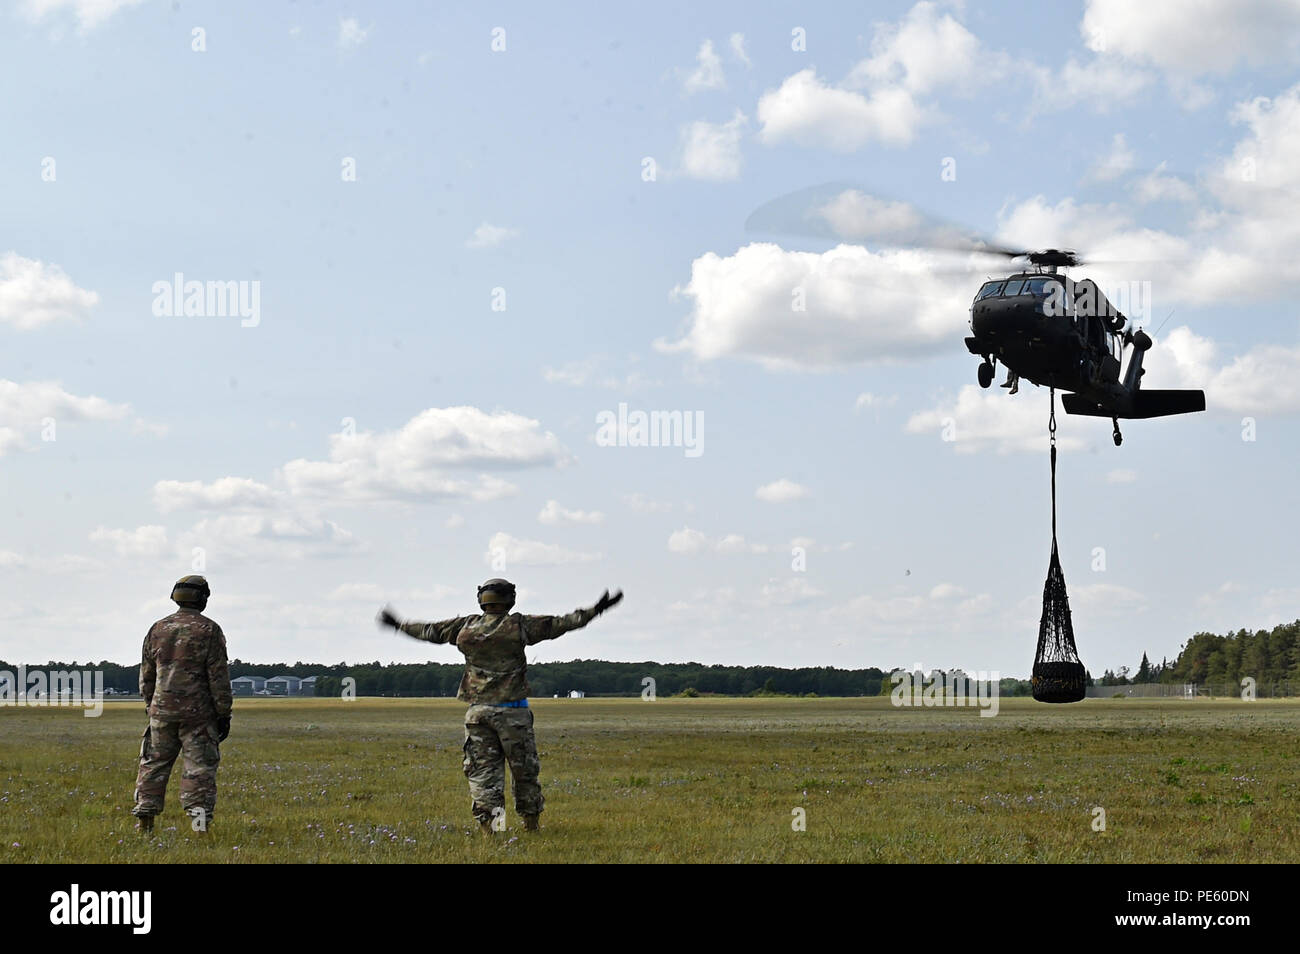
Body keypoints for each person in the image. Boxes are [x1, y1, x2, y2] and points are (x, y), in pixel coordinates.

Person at [377, 578, 623, 833]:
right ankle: (531, 827)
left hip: (478, 712)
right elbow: (564, 623)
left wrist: (398, 625)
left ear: (482, 600)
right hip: (514, 712)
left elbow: (429, 631)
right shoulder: (519, 626)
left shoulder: (465, 627)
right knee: (524, 772)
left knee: (484, 775)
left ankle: (491, 831)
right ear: (510, 600)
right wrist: (597, 609)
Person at [132, 575, 232, 834]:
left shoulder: (157, 629)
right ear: (203, 598)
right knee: (199, 770)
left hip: (161, 713)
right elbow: (218, 678)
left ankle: (145, 824)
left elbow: (147, 675)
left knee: (153, 766)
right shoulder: (209, 630)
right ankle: (199, 829)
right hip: (198, 716)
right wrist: (223, 714)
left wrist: (151, 706)